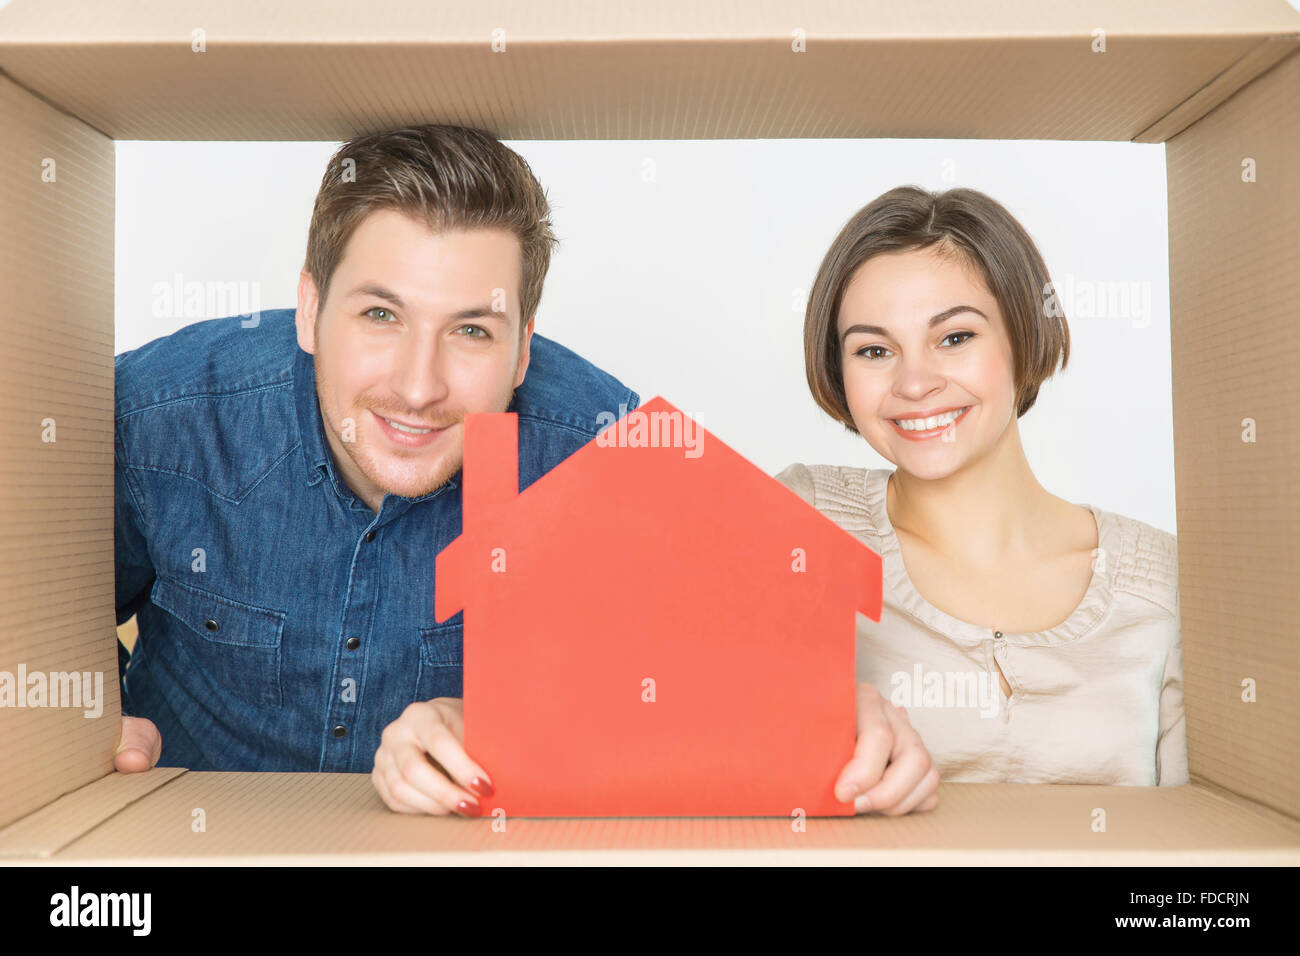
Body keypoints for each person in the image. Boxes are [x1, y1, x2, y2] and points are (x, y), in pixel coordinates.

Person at [112, 125, 938, 818]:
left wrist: (833, 718)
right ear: (308, 308)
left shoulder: (600, 445)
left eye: (471, 331)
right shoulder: (158, 419)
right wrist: (91, 714)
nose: (417, 385)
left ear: (522, 349)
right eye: (379, 314)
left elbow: (729, 678)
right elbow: (30, 626)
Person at [776, 185, 1188, 786]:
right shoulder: (803, 522)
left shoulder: (1165, 587)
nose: (914, 383)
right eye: (873, 349)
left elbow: (1210, 846)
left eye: (955, 337)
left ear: (1023, 338)